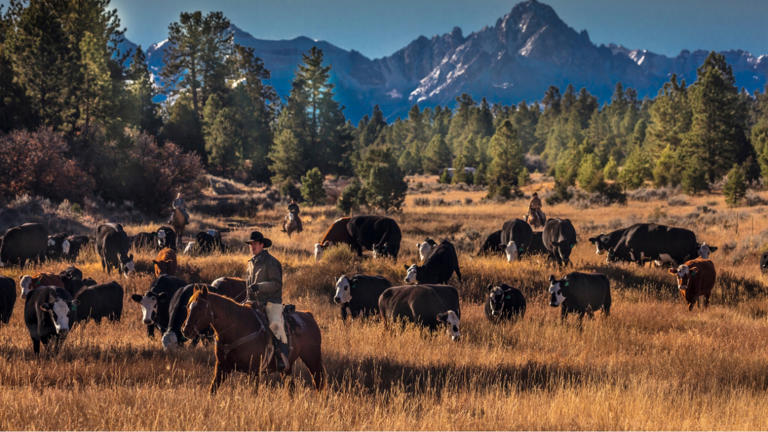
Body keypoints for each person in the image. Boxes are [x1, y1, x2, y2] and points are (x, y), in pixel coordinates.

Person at [245, 231, 289, 370]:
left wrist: (259, 287)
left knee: (276, 326)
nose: (252, 247)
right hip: (253, 302)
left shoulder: (271, 262)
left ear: (262, 245)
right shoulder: (250, 263)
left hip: (271, 302)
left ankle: (281, 356)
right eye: (251, 244)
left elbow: (276, 284)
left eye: (255, 244)